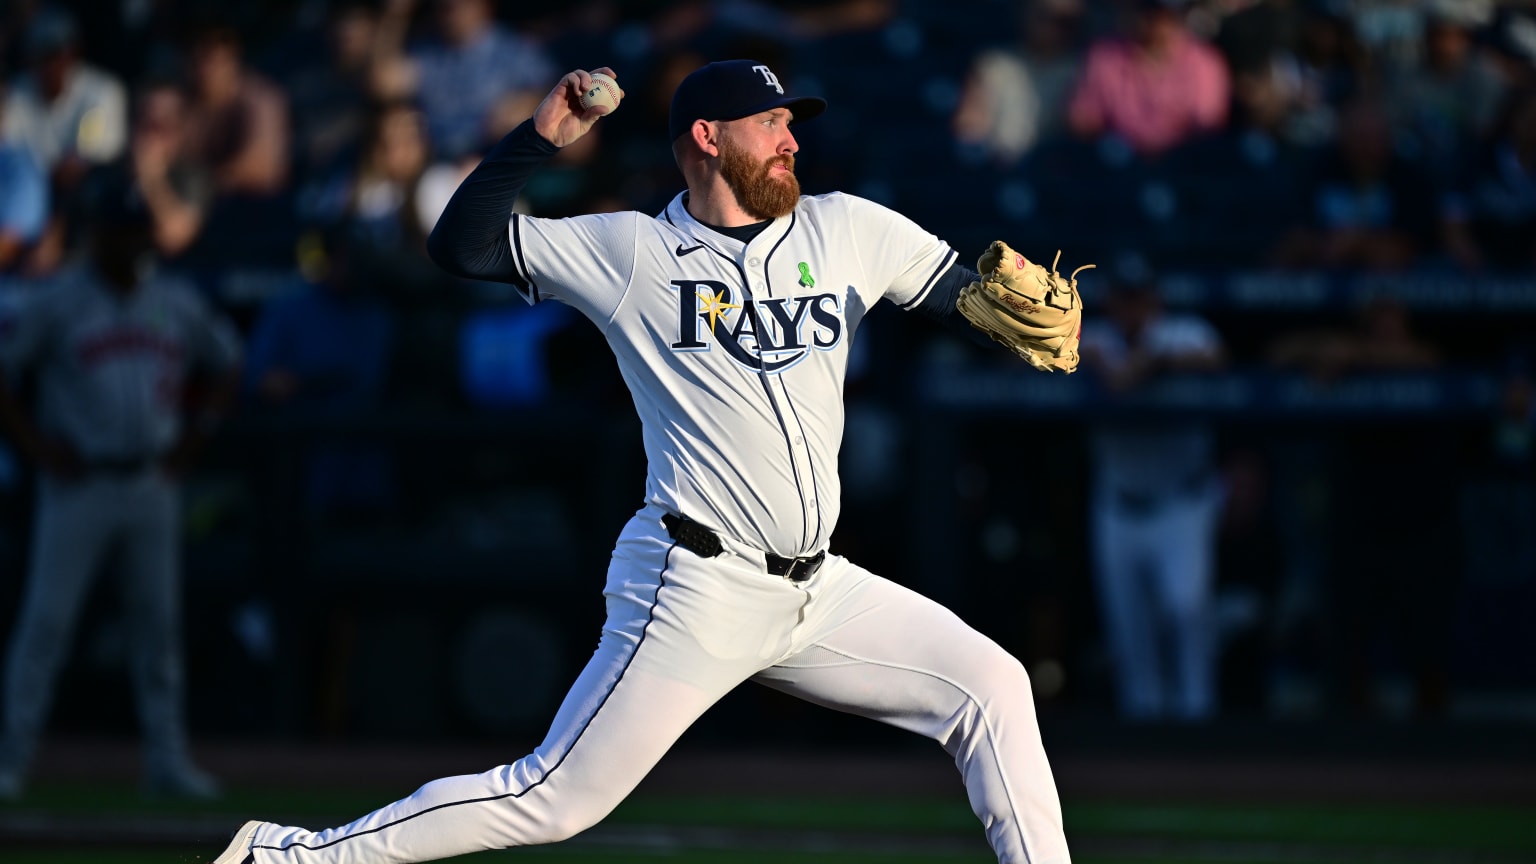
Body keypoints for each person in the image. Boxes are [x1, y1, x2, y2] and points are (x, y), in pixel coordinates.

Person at [207, 60, 1073, 864]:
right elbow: (461, 246)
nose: (791, 140)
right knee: (551, 797)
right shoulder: (631, 253)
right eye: (771, 123)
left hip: (818, 589)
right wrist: (540, 138)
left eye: (791, 123)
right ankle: (285, 857)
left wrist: (1003, 317)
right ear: (708, 136)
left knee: (992, 686)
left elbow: (964, 296)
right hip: (697, 582)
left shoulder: (846, 227)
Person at [0, 189, 243, 801]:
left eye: (139, 230)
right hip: (79, 483)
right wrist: (35, 447)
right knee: (45, 625)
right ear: (98, 236)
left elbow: (227, 361)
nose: (133, 241)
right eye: (122, 230)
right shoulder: (57, 300)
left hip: (150, 481)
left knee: (157, 629)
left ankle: (167, 762)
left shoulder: (174, 297)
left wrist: (198, 436)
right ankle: (10, 759)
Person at [1078, 255, 1226, 722]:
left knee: (1186, 610)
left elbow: (1215, 358)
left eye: (1140, 298)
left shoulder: (1183, 332)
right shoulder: (1094, 336)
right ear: (1110, 302)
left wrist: (1152, 363)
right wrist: (1089, 361)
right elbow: (1027, 356)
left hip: (1182, 501)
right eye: (1124, 299)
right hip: (1117, 504)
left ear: (1155, 300)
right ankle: (1142, 742)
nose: (1132, 308)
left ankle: (1197, 721)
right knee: (1130, 632)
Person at [1065, 0, 1230, 157]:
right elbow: (1084, 121)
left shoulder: (1204, 62)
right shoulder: (1104, 56)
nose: (1157, 25)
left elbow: (1208, 126)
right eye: (1150, 16)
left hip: (1184, 162)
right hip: (1121, 161)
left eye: (1166, 18)